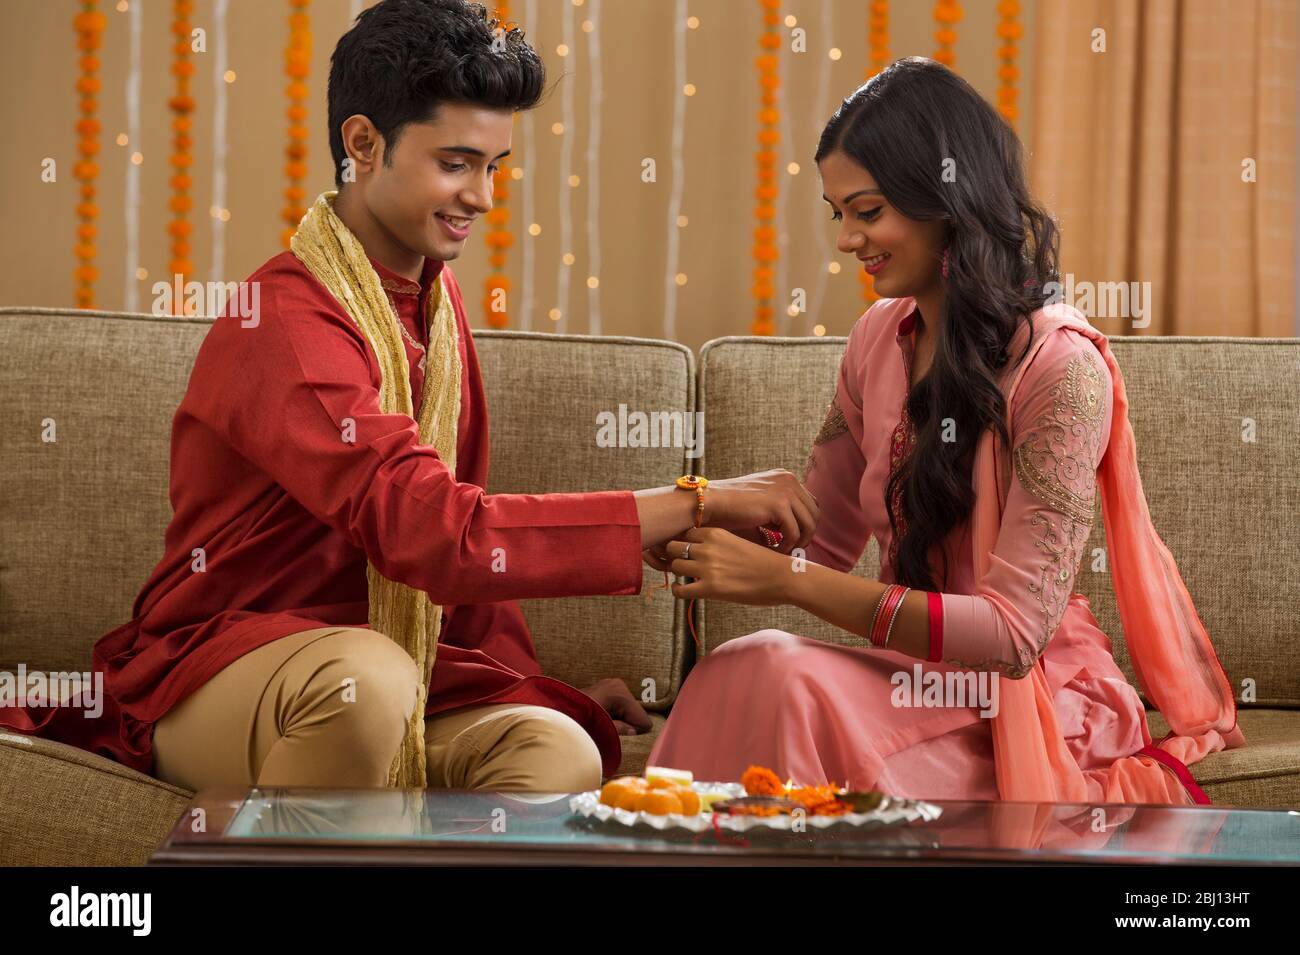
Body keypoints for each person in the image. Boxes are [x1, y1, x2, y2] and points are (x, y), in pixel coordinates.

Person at [0, 0, 818, 795]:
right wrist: (693, 501)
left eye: (493, 167)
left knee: (554, 750)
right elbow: (432, 531)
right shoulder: (284, 320)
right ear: (363, 143)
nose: (483, 198)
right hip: (226, 671)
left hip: (398, 671)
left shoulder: (434, 305)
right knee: (365, 681)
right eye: (456, 163)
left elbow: (455, 544)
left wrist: (528, 682)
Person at [648, 57, 1243, 805]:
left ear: (946, 200)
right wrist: (691, 522)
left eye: (868, 213)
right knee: (745, 664)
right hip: (913, 681)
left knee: (782, 670)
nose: (846, 242)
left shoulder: (1061, 371)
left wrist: (787, 584)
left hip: (1028, 703)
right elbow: (818, 540)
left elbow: (1012, 637)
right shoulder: (877, 338)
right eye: (840, 215)